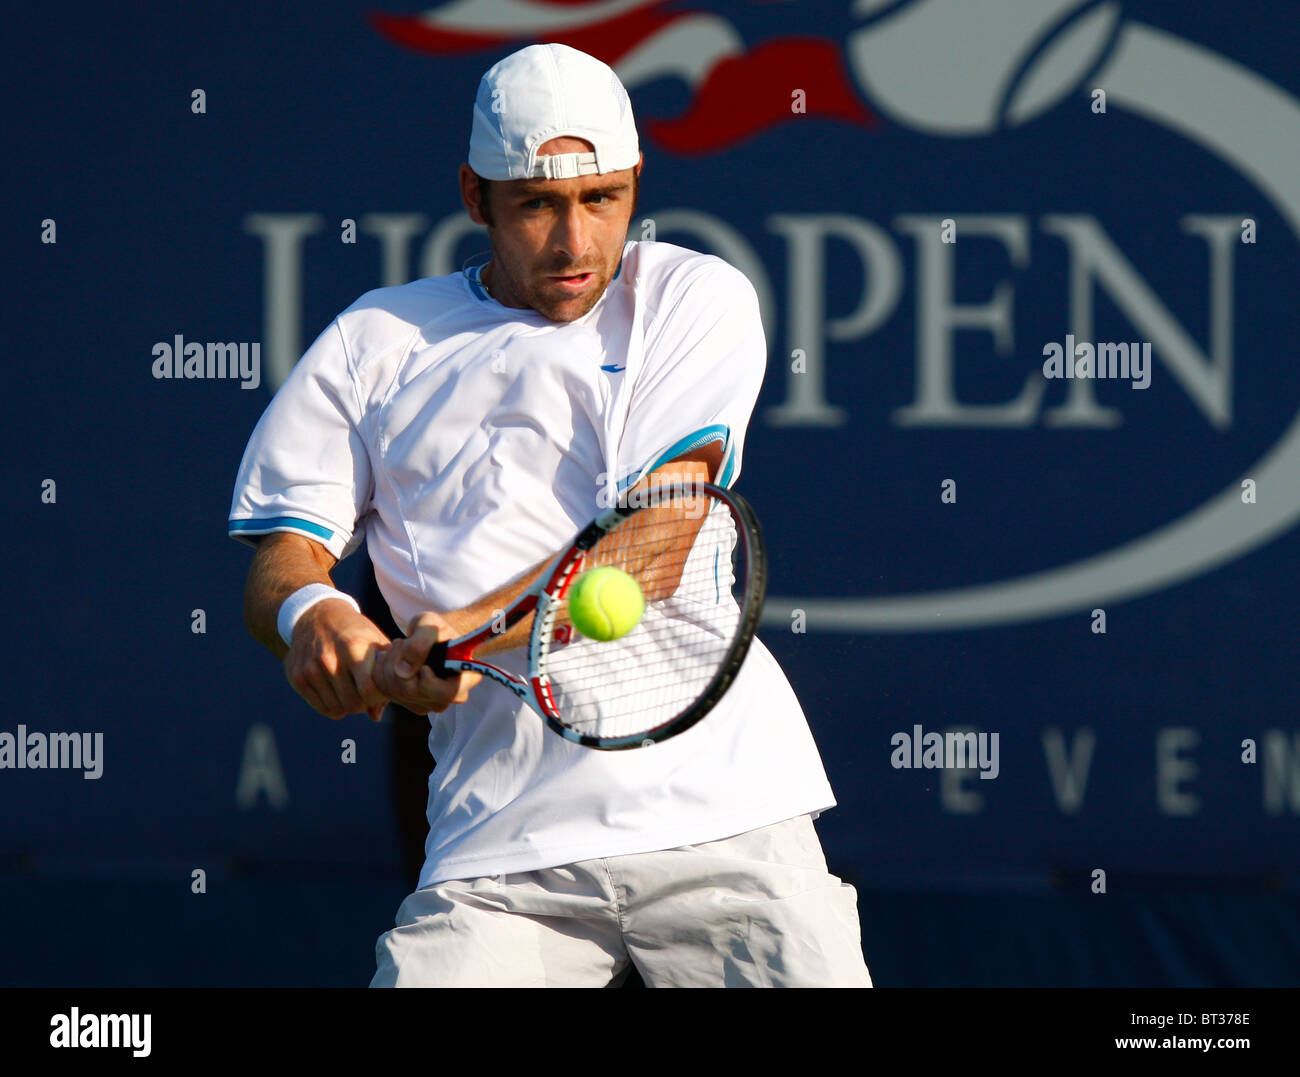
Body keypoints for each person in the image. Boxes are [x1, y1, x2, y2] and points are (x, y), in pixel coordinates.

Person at [229, 42, 871, 988]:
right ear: (474, 195)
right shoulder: (375, 344)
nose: (574, 243)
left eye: (601, 200)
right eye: (536, 205)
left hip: (726, 814)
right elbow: (284, 557)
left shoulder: (693, 298)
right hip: (498, 842)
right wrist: (318, 619)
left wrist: (468, 637)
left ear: (637, 184)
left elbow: (649, 548)